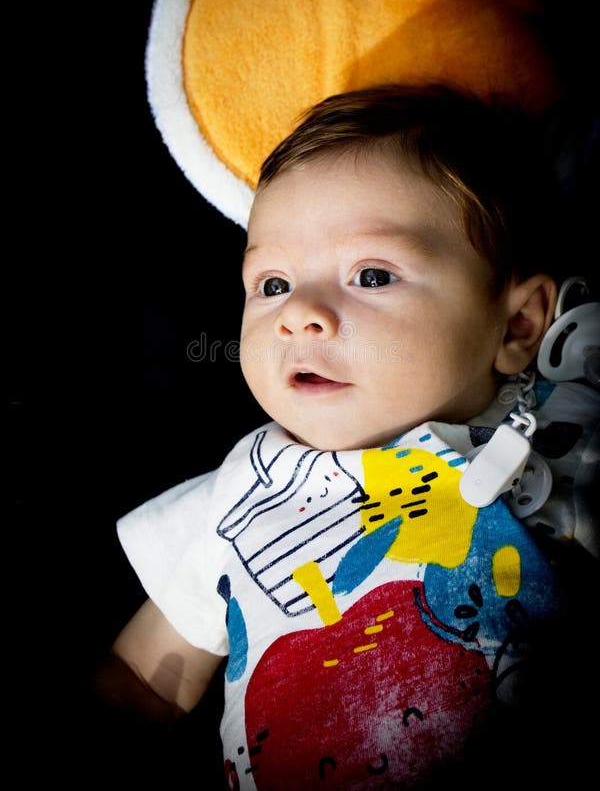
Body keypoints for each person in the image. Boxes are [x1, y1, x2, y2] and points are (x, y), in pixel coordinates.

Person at [96, 84, 599, 788]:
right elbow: (143, 681)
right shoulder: (240, 496)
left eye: (370, 274)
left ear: (516, 325)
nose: (299, 314)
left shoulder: (563, 432)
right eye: (271, 284)